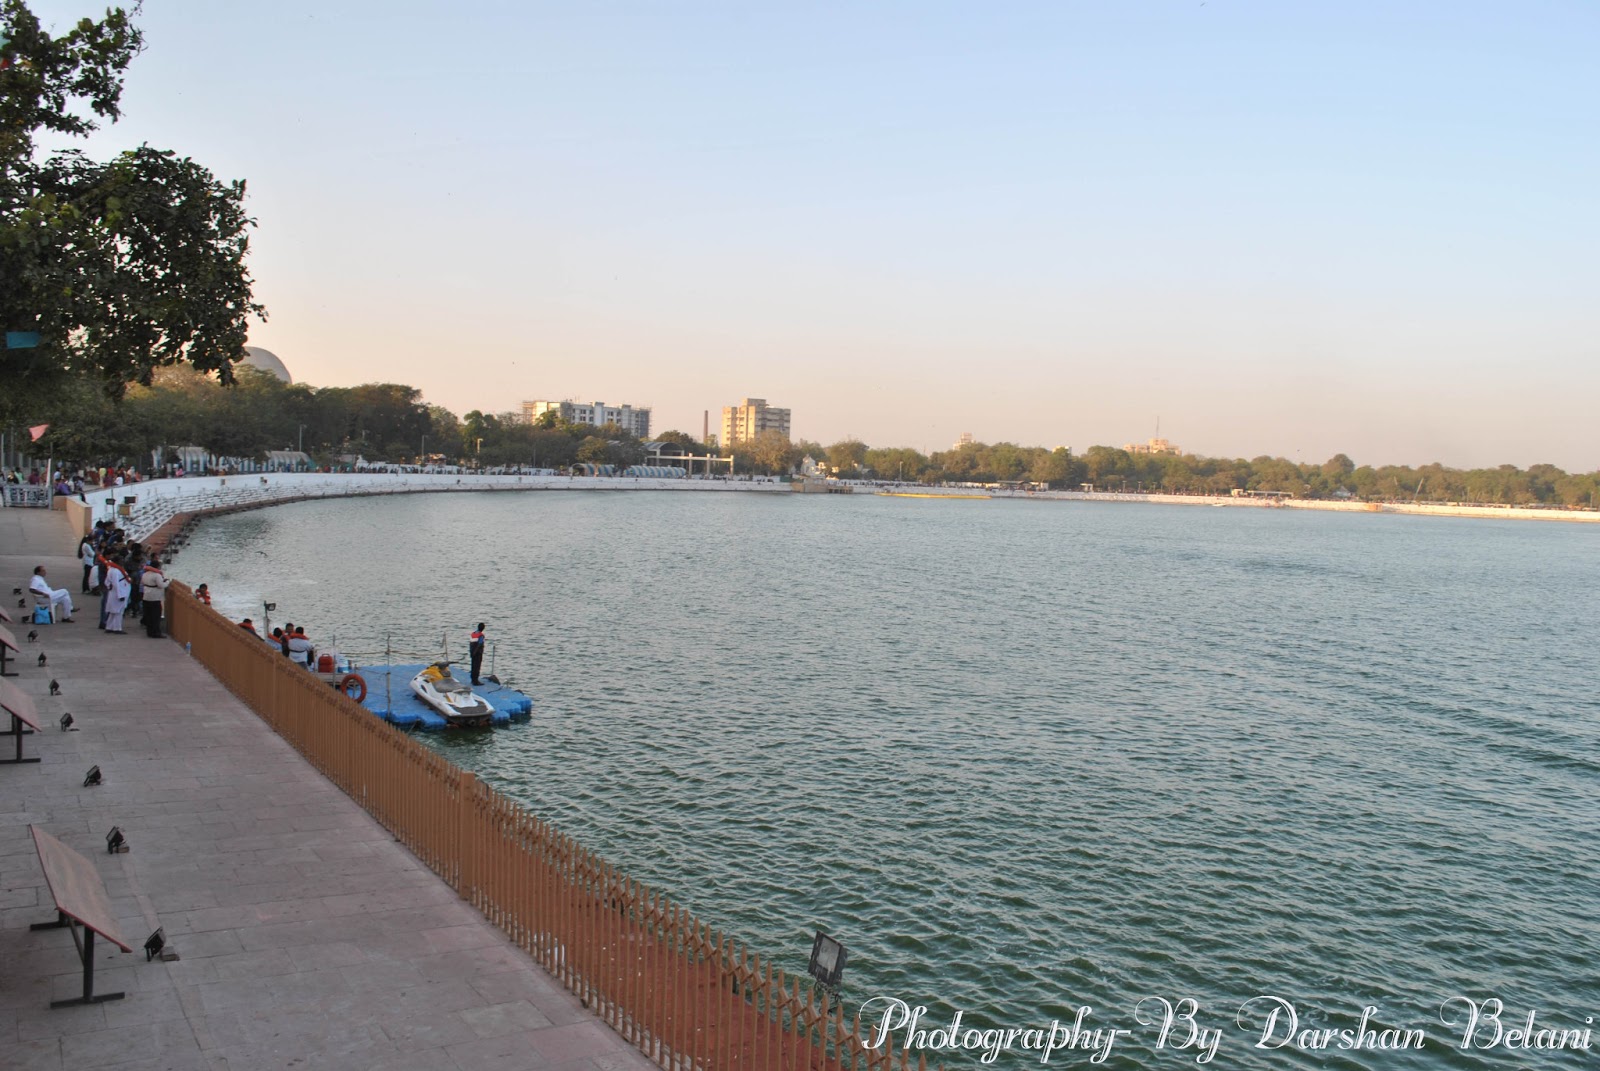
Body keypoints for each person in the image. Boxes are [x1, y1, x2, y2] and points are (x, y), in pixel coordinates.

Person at [140, 557, 169, 638]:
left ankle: (149, 632)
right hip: (155, 597)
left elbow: (142, 583)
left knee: (148, 615)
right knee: (155, 616)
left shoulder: (145, 574)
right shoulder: (157, 575)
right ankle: (156, 632)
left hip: (146, 595)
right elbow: (161, 585)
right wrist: (167, 582)